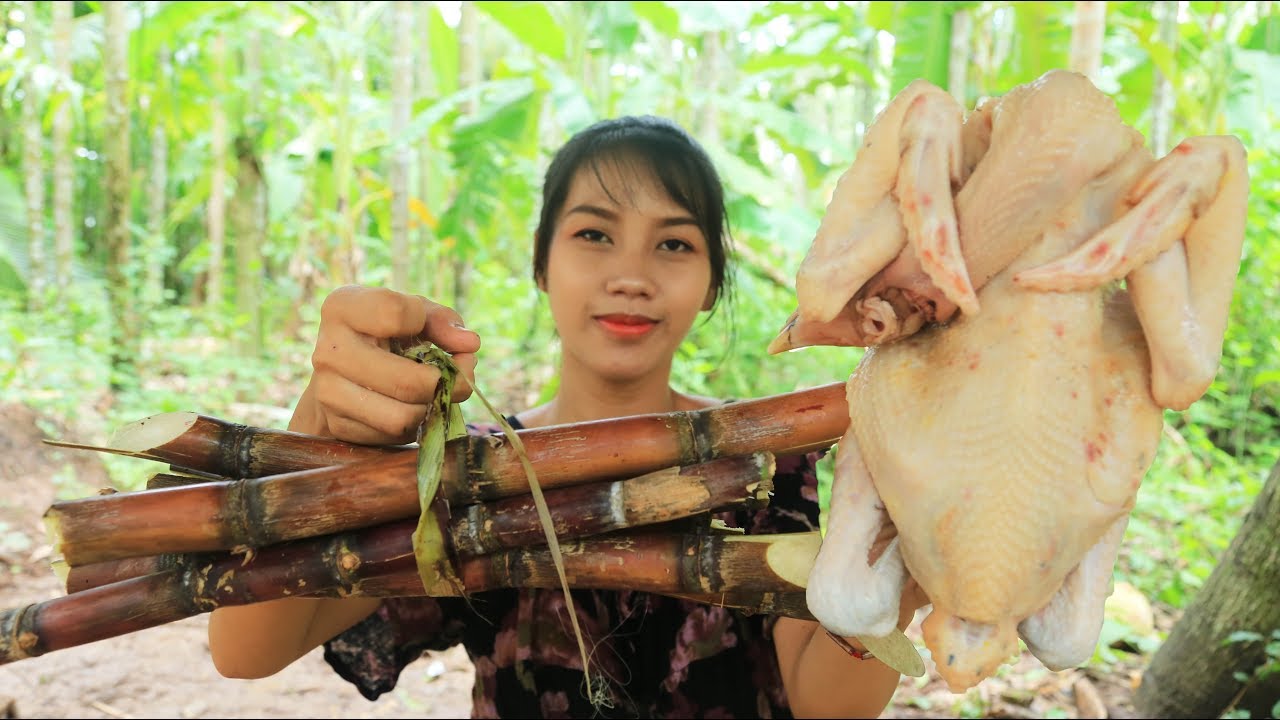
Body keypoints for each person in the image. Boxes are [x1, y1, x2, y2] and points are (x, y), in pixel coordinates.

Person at [208, 115, 926, 718]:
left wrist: (896, 555)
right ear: (542, 265)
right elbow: (248, 651)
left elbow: (827, 703)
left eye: (674, 243)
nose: (632, 276)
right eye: (593, 234)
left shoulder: (767, 461)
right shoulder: (475, 477)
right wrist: (321, 419)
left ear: (711, 285)